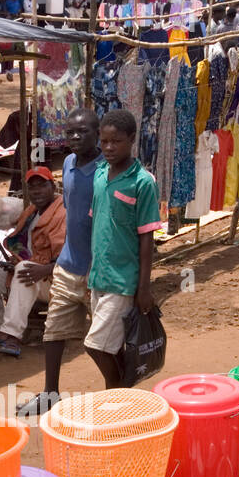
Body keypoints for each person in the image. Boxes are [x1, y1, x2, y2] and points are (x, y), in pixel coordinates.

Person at [16, 109, 103, 416]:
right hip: (68, 263)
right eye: (70, 133)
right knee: (53, 331)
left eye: (83, 132)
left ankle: (118, 397)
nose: (76, 138)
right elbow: (72, 211)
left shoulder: (107, 170)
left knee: (105, 339)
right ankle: (50, 393)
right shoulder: (66, 164)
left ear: (98, 135)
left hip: (99, 268)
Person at [85, 108, 160, 388]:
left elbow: (146, 239)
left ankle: (122, 390)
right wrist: (90, 271)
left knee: (96, 346)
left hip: (123, 280)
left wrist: (144, 288)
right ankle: (117, 398)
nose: (108, 147)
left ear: (131, 139)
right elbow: (99, 225)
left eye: (115, 142)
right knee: (112, 347)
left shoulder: (142, 182)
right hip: (99, 277)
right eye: (103, 141)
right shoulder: (101, 174)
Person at [0, 166, 67, 358]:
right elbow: (25, 247)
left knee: (24, 268)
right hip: (31, 274)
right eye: (32, 187)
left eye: (42, 185)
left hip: (55, 280)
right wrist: (18, 260)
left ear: (53, 186)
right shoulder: (32, 211)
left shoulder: (63, 213)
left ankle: (13, 335)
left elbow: (69, 259)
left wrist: (44, 268)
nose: (37, 191)